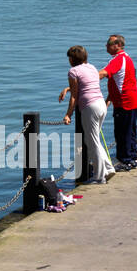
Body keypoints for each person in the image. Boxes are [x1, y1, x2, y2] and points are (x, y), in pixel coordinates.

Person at [58, 45, 114, 184]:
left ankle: (100, 177)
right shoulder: (92, 67)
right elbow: (84, 86)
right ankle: (108, 168)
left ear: (72, 59)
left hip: (90, 107)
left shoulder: (73, 71)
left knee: (92, 142)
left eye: (69, 58)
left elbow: (75, 96)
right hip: (101, 104)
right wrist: (67, 89)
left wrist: (68, 115)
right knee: (95, 140)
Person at [98, 34, 137, 171]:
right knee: (130, 130)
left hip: (125, 102)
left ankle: (126, 160)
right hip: (131, 100)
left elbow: (104, 73)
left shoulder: (118, 59)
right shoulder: (126, 58)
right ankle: (132, 157)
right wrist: (109, 99)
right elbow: (119, 81)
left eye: (109, 43)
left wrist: (85, 78)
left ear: (118, 45)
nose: (106, 46)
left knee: (122, 132)